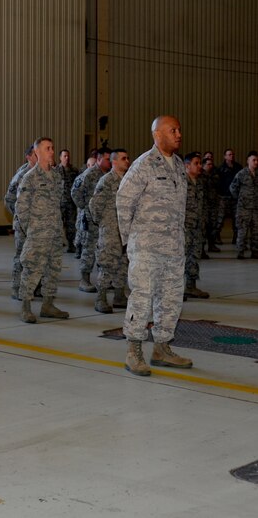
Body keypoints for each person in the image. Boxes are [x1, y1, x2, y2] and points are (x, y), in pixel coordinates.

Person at [117, 115, 192, 376]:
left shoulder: (179, 165)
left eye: (180, 130)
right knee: (142, 298)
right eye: (173, 130)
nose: (179, 134)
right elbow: (124, 200)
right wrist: (131, 240)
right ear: (157, 135)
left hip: (173, 247)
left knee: (170, 298)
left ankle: (162, 348)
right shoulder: (144, 164)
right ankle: (133, 351)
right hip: (147, 246)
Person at [15, 138, 69, 323]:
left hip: (54, 233)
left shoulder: (56, 176)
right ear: (37, 152)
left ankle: (48, 305)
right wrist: (32, 229)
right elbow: (21, 209)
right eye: (47, 149)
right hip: (37, 235)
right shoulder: (30, 177)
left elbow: (58, 203)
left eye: (53, 148)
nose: (52, 152)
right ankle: (26, 307)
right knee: (32, 270)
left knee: (53, 270)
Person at [89, 149, 131, 313]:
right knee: (107, 264)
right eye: (123, 158)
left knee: (122, 263)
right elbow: (95, 205)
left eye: (127, 158)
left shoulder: (128, 181)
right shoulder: (106, 181)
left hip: (125, 231)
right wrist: (105, 222)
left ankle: (119, 296)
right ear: (114, 162)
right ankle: (101, 298)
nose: (127, 161)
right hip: (110, 231)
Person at [71, 146, 111, 292]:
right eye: (107, 159)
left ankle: (105, 279)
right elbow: (75, 192)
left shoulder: (109, 175)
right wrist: (84, 208)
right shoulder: (89, 174)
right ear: (99, 159)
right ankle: (84, 279)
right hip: (90, 219)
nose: (110, 162)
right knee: (88, 249)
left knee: (105, 250)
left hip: (105, 219)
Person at [4, 145, 37, 300]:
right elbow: (9, 200)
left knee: (37, 257)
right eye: (36, 155)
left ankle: (34, 287)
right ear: (29, 157)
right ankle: (16, 288)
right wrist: (20, 217)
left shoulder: (45, 173)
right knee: (21, 257)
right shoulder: (22, 175)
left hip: (39, 226)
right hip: (23, 225)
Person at [183, 152, 209, 298]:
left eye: (200, 163)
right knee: (181, 257)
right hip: (185, 226)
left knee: (195, 255)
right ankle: (176, 289)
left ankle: (191, 286)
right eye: (196, 163)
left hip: (197, 226)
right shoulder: (181, 183)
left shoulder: (199, 182)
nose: (200, 166)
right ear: (187, 166)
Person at [229, 151, 258, 259]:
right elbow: (232, 188)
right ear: (248, 161)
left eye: (257, 160)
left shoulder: (257, 174)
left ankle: (255, 251)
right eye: (253, 160)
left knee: (256, 232)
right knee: (242, 231)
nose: (256, 162)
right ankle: (240, 252)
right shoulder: (241, 174)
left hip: (255, 209)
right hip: (244, 208)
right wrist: (240, 199)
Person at [215, 149, 242, 244]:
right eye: (229, 154)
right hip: (223, 196)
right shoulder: (220, 169)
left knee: (236, 218)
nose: (232, 156)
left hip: (235, 197)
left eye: (233, 154)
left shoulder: (238, 167)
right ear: (225, 156)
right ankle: (217, 236)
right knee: (220, 218)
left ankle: (236, 237)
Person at [55, 149, 79, 252]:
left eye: (68, 156)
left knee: (71, 225)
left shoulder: (74, 170)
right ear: (60, 158)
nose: (67, 158)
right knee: (57, 225)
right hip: (59, 202)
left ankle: (71, 245)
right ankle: (56, 245)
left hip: (70, 202)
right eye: (64, 156)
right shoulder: (55, 171)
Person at [201, 156, 220, 254]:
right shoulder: (200, 176)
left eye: (211, 164)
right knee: (203, 227)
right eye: (208, 164)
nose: (210, 166)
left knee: (213, 226)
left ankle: (212, 245)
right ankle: (202, 249)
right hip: (204, 206)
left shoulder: (214, 175)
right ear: (203, 165)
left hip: (213, 205)